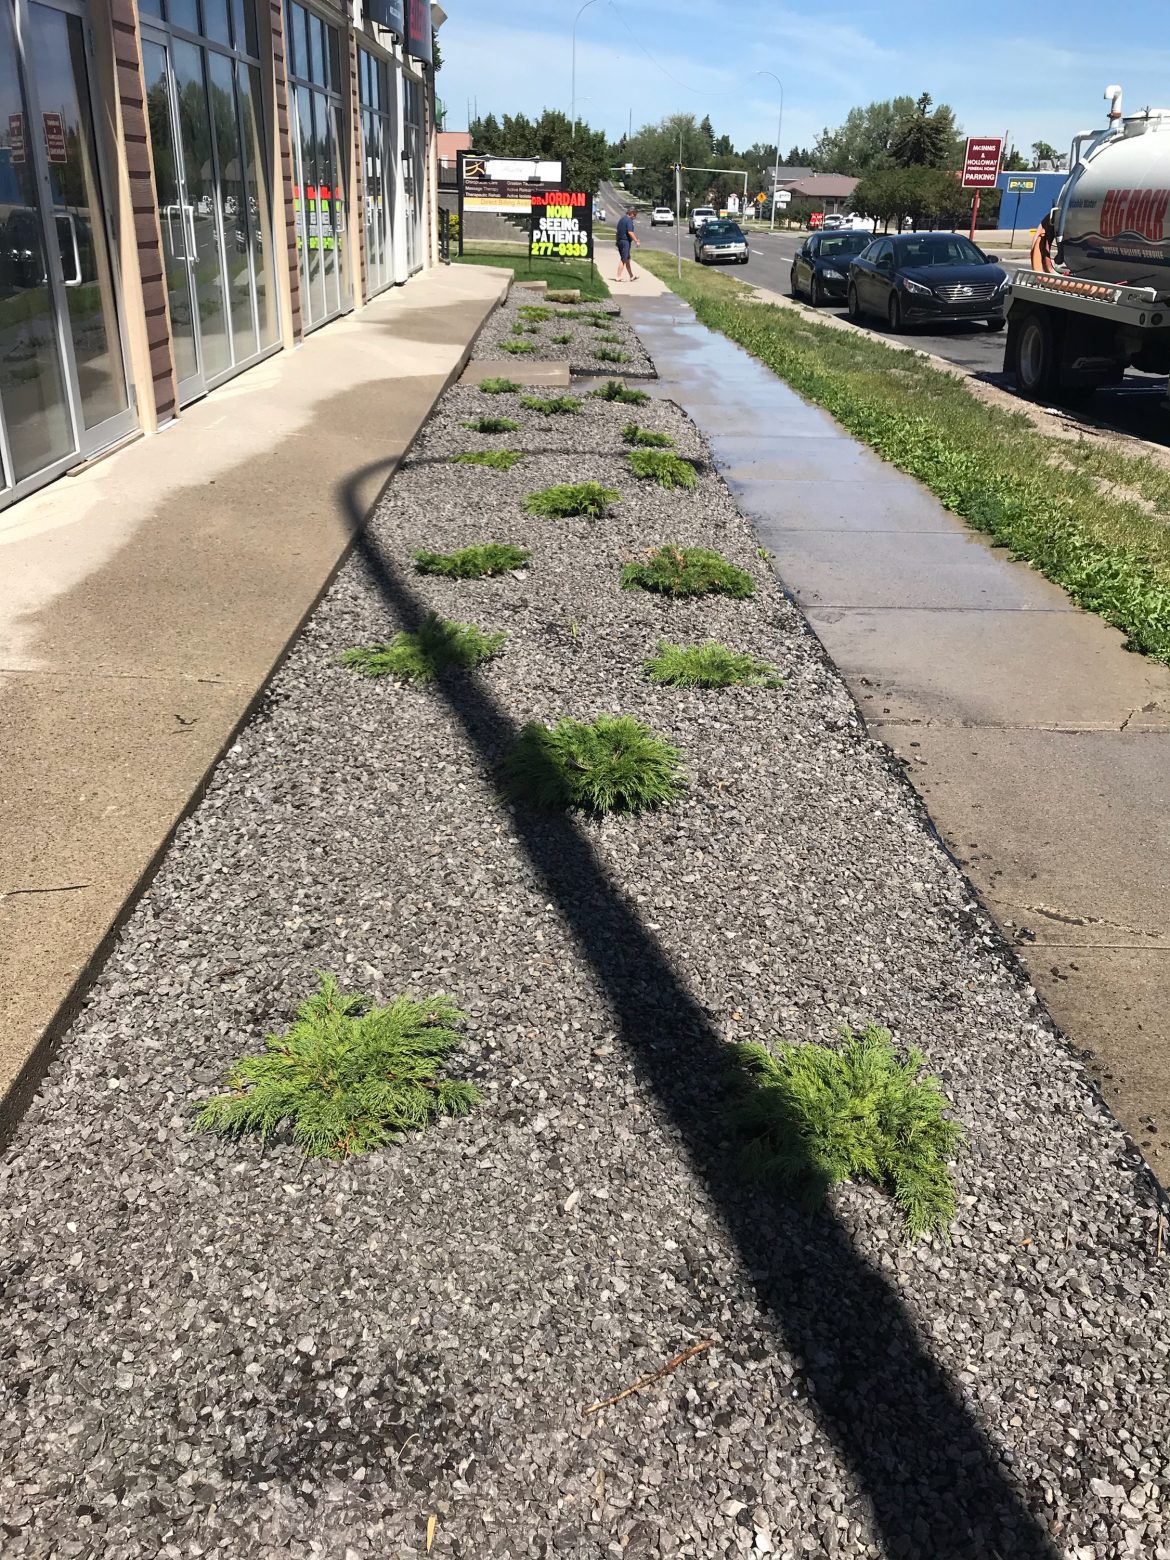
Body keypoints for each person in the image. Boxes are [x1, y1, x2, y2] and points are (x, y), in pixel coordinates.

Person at [615, 206, 639, 282]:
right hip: (625, 242)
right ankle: (618, 276)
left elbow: (617, 231)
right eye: (634, 214)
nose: (635, 216)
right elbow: (630, 232)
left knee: (627, 259)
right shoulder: (629, 220)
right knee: (624, 259)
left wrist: (617, 241)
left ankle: (631, 276)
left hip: (620, 241)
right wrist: (636, 241)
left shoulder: (622, 219)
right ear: (631, 213)